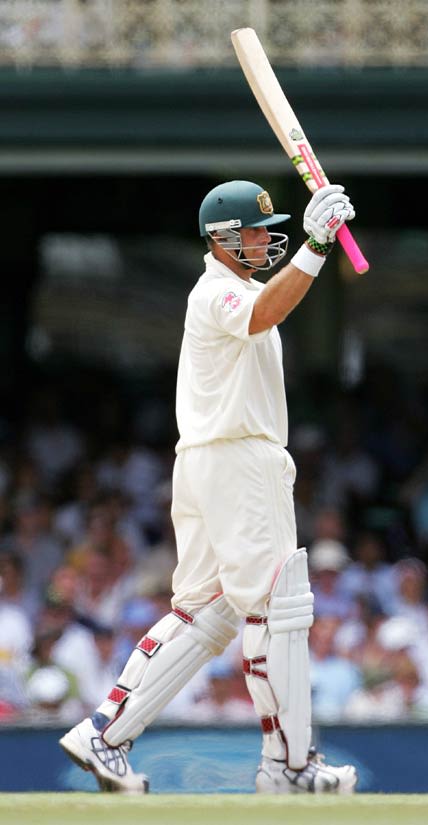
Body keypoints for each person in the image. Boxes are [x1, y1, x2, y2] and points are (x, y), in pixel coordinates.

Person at [59, 178, 358, 795]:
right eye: (253, 232)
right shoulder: (216, 291)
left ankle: (105, 733)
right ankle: (290, 765)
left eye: (269, 233)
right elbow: (266, 311)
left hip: (206, 461)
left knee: (206, 612)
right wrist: (317, 244)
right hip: (237, 461)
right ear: (221, 238)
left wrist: (308, 247)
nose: (263, 242)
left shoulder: (239, 286)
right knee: (278, 606)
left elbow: (270, 300)